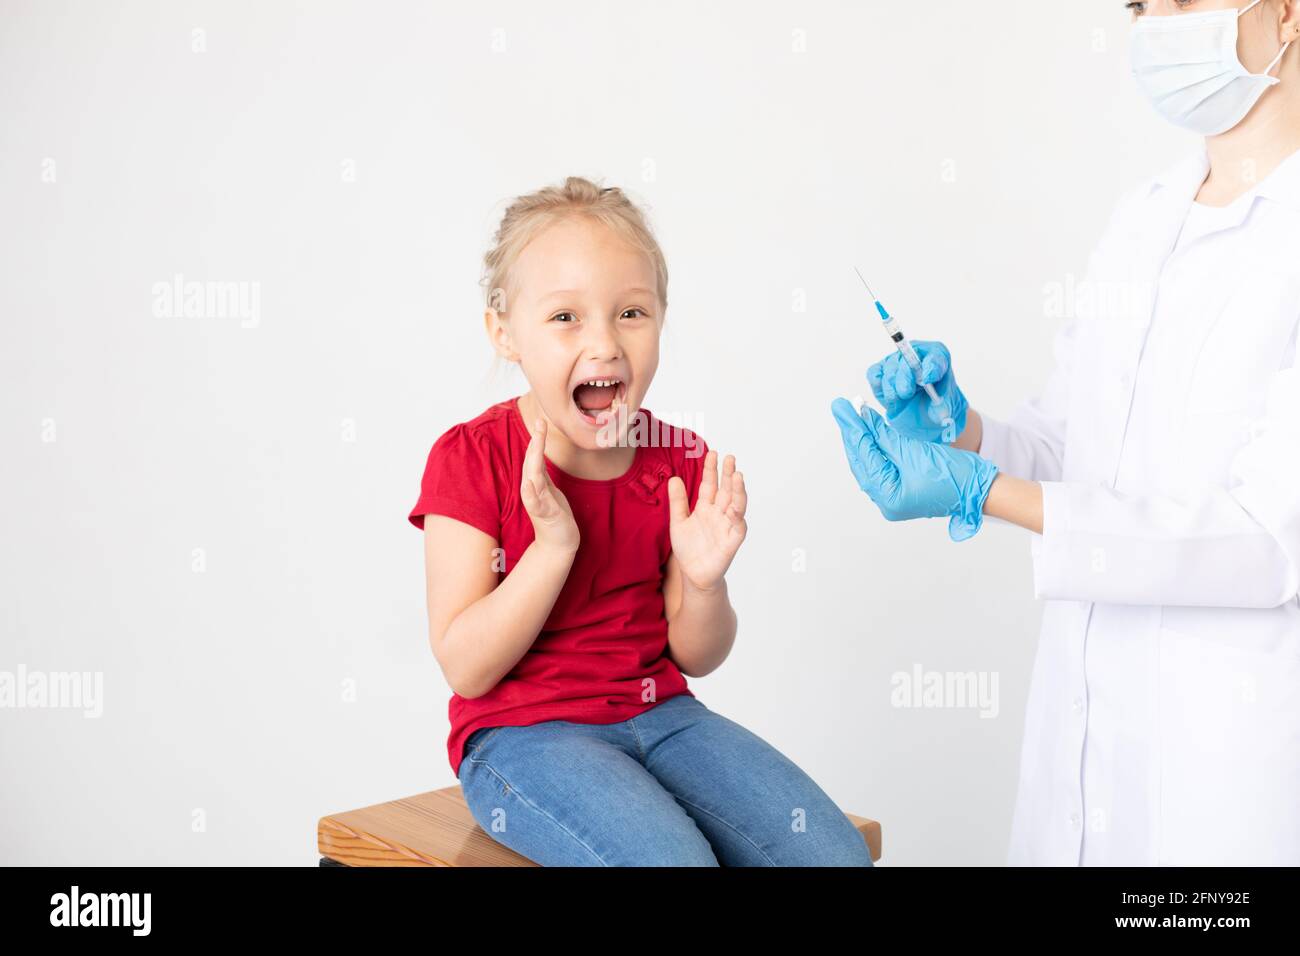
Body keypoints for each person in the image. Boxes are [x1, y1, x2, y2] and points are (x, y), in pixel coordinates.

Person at [832, 0, 1300, 865]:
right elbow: (1069, 451)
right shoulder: (1142, 220)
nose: (1156, 25)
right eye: (1141, 7)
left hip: (1227, 776)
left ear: (1285, 11)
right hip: (1081, 753)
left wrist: (988, 495)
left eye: (1182, 1)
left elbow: (1266, 540)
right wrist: (964, 435)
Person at [412, 176, 873, 866]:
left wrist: (705, 581)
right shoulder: (472, 457)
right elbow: (467, 668)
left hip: (664, 718)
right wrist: (552, 548)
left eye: (630, 313)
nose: (603, 344)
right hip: (522, 736)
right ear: (504, 333)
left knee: (833, 854)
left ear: (661, 318)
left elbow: (697, 656)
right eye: (565, 317)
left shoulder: (679, 461)